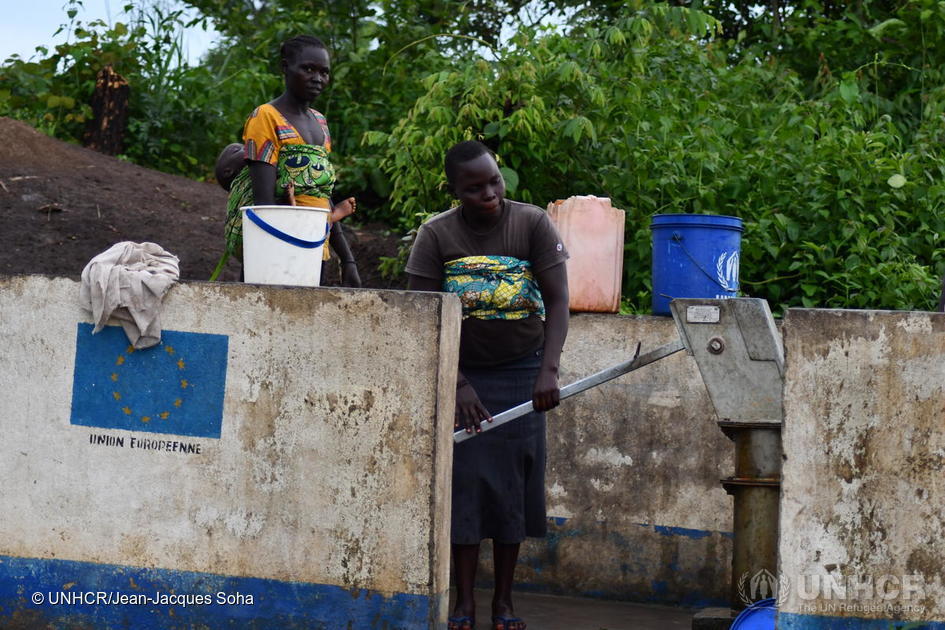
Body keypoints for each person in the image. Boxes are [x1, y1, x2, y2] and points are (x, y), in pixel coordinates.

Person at [405, 140, 569, 630]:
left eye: (494, 181)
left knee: (513, 491)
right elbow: (424, 319)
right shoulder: (436, 235)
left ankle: (504, 603)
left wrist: (549, 370)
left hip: (524, 372)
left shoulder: (532, 223)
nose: (489, 194)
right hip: (463, 378)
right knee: (467, 488)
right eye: (475, 188)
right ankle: (463, 604)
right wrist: (456, 385)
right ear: (455, 190)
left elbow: (559, 302)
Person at [217, 35, 360, 287]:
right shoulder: (266, 117)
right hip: (276, 252)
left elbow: (320, 195)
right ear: (285, 67)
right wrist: (291, 255)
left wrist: (348, 260)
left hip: (315, 247)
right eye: (308, 69)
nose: (317, 78)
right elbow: (265, 205)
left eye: (324, 72)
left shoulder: (321, 123)